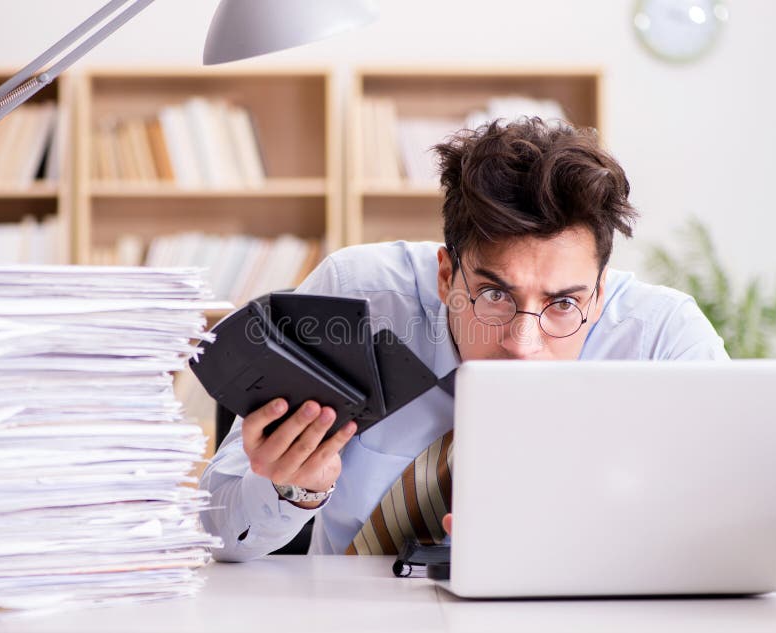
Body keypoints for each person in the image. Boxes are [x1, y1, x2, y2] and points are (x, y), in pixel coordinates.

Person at [199, 117, 728, 560]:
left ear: (599, 291)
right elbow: (212, 532)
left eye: (564, 303)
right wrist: (292, 490)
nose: (523, 343)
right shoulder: (354, 302)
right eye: (495, 295)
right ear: (447, 276)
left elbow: (747, 520)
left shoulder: (662, 340)